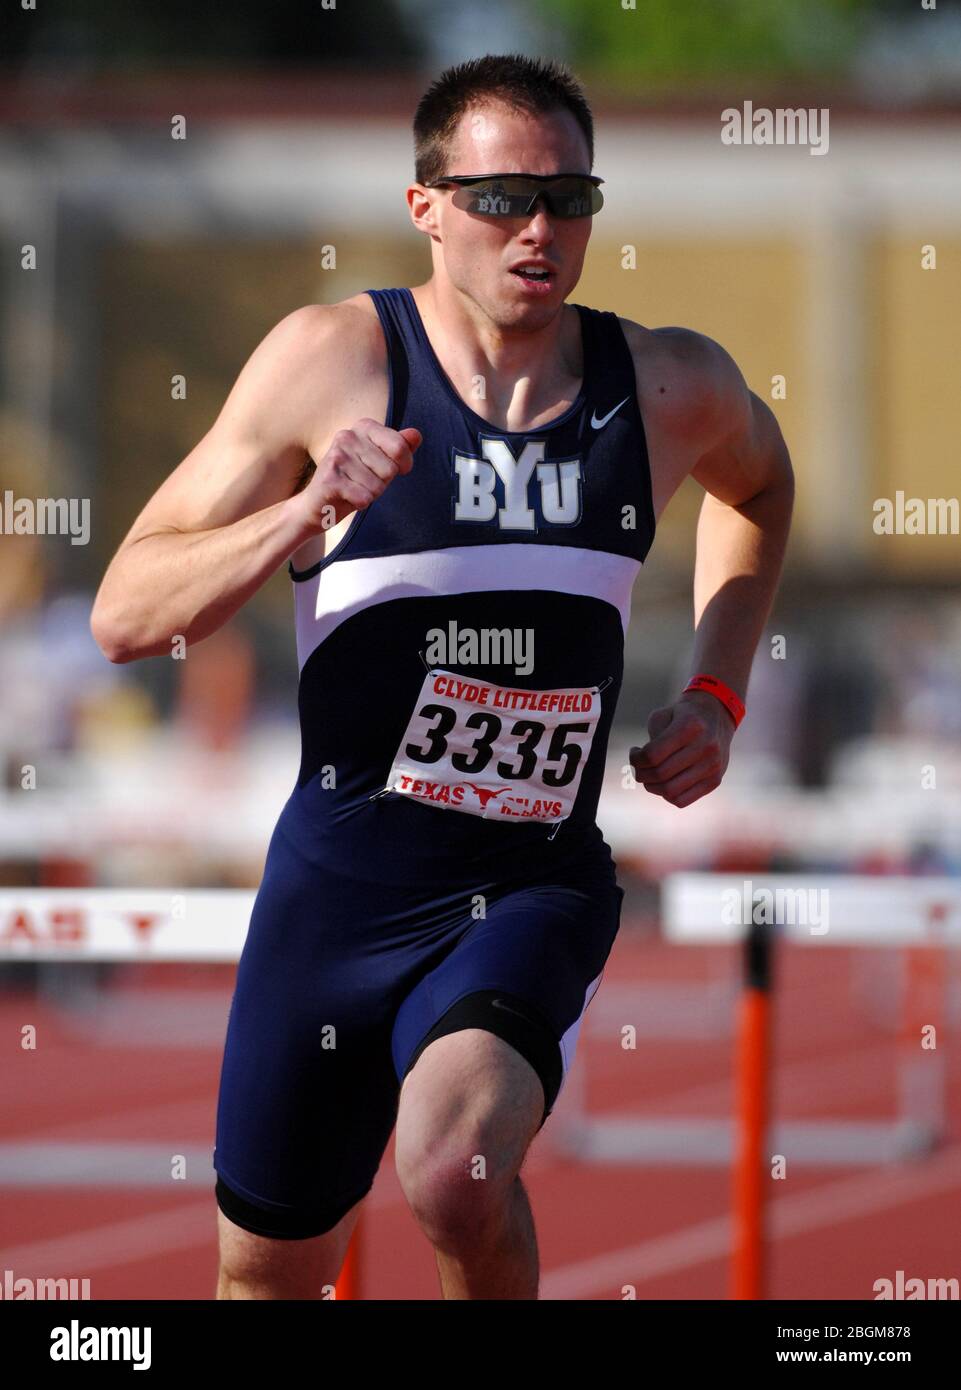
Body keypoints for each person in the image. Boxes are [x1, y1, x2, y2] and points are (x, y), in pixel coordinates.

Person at [90, 54, 794, 1300]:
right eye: (500, 196)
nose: (539, 228)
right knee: (265, 1271)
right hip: (340, 891)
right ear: (424, 206)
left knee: (455, 1169)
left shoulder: (668, 384)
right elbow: (125, 615)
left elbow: (762, 485)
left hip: (528, 881)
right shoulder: (331, 361)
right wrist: (303, 511)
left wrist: (717, 690)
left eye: (569, 197)